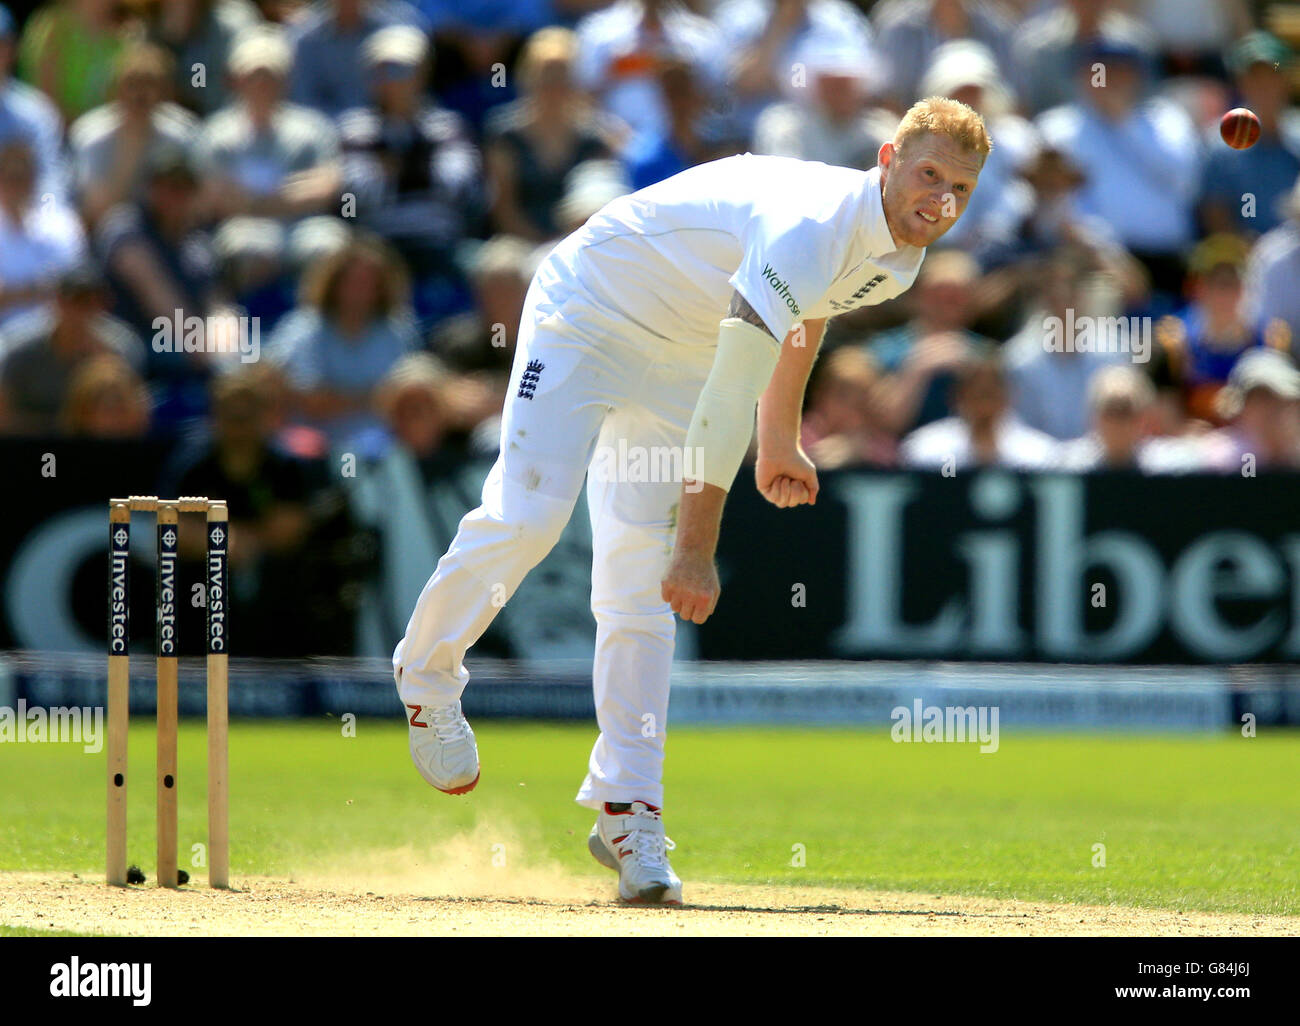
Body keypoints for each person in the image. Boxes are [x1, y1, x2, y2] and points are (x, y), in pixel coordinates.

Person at [392, 97, 990, 904]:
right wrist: (698, 547)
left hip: (683, 352)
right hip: (588, 312)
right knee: (531, 514)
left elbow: (799, 321)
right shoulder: (811, 224)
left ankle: (627, 808)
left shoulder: (900, 259)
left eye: (960, 187)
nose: (941, 200)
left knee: (637, 585)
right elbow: (730, 393)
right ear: (887, 158)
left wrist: (779, 439)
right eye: (928, 175)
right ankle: (426, 674)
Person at [900, 345, 1059, 470]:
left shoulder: (1038, 455)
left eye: (991, 391)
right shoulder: (925, 450)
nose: (983, 396)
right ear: (957, 396)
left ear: (1010, 395)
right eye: (975, 390)